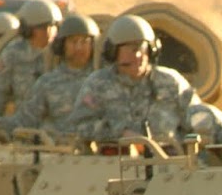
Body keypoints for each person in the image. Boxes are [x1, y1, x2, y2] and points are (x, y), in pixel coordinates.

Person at [64, 14, 201, 143]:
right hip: (116, 158)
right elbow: (78, 126)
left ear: (151, 50)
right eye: (129, 49)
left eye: (141, 48)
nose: (137, 56)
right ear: (113, 52)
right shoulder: (97, 84)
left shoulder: (171, 82)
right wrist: (119, 133)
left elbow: (198, 116)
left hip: (169, 157)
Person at [0, 13, 99, 137]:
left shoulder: (103, 82)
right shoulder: (47, 83)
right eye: (73, 42)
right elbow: (26, 120)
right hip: (57, 146)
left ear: (93, 46)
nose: (79, 48)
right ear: (61, 45)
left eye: (85, 42)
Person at [0, 0, 62, 123]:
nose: (49, 32)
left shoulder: (62, 52)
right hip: (23, 123)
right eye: (42, 28)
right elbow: (0, 92)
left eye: (52, 26)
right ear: (28, 29)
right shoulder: (13, 54)